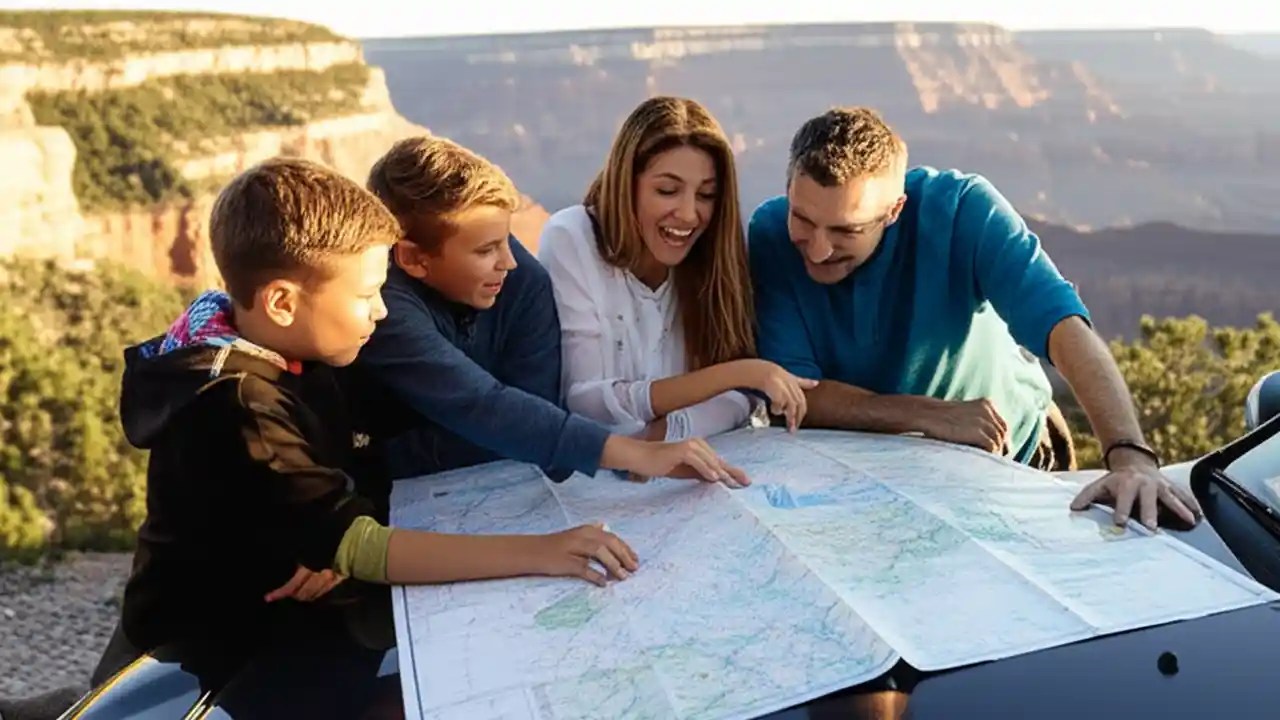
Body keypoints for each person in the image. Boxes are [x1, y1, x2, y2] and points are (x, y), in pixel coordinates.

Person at [83, 157, 644, 702]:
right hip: (189, 664)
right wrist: (545, 551)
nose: (381, 312)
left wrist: (329, 540)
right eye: (365, 295)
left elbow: (372, 451)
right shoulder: (237, 406)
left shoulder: (303, 352)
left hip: (266, 631)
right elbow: (363, 548)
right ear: (282, 301)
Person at [747, 106, 1202, 531]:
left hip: (1015, 459)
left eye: (846, 230)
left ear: (894, 211)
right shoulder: (769, 235)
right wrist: (925, 414)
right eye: (803, 219)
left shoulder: (964, 208)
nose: (819, 248)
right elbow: (797, 395)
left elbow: (1063, 327)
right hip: (876, 477)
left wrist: (1130, 457)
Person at [340, 135, 747, 501]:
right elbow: (484, 407)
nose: (509, 262)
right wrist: (633, 453)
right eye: (485, 250)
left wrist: (521, 432)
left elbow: (535, 411)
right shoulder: (380, 304)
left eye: (508, 239)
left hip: (493, 493)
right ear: (412, 258)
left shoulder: (523, 283)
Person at [537, 96, 817, 444]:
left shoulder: (712, 254)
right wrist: (740, 373)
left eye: (706, 195)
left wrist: (667, 432)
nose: (688, 214)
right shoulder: (572, 237)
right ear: (627, 183)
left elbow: (739, 400)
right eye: (667, 190)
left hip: (684, 470)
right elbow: (584, 401)